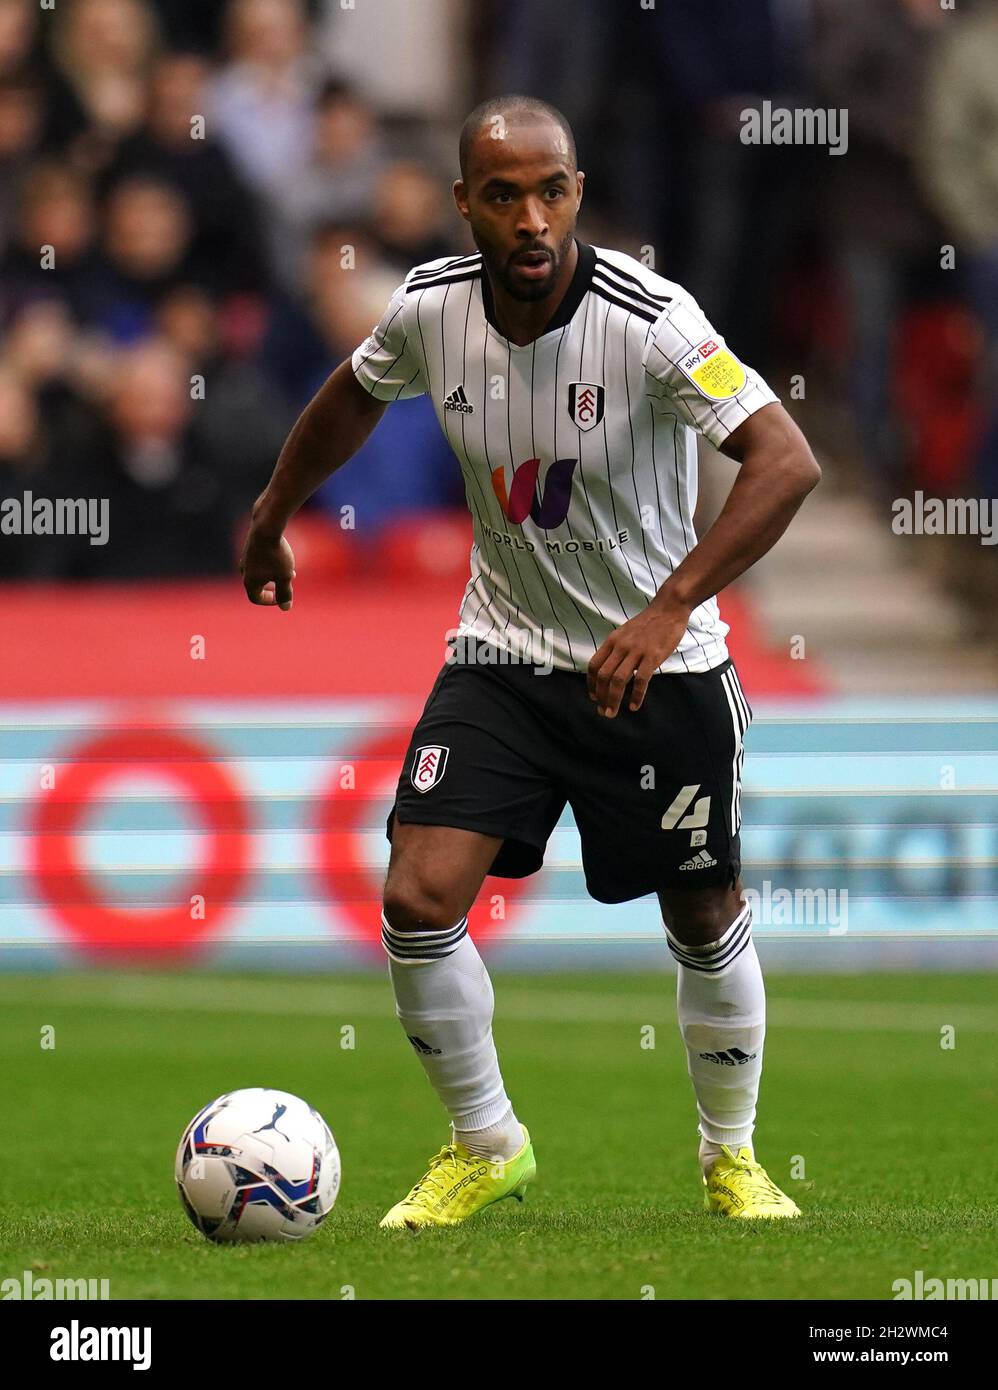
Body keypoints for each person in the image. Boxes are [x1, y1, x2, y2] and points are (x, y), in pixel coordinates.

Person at [240, 96, 820, 1227]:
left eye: (549, 189)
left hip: (660, 666)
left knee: (701, 915)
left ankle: (731, 1156)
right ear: (463, 205)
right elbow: (349, 396)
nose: (529, 217)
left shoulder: (650, 322)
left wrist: (669, 606)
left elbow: (783, 461)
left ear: (576, 195)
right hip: (501, 656)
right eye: (500, 195)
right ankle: (484, 1140)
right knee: (415, 892)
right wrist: (272, 513)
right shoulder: (425, 309)